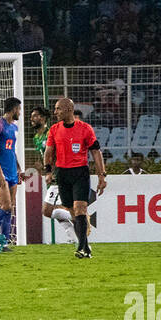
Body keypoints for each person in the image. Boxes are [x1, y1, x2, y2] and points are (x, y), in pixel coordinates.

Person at [43, 97, 105, 259]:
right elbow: (48, 152)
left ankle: (81, 248)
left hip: (80, 173)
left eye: (58, 109)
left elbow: (96, 152)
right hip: (62, 174)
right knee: (72, 212)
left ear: (68, 109)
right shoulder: (54, 130)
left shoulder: (85, 129)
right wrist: (48, 171)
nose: (55, 112)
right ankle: (86, 247)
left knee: (80, 209)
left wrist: (101, 175)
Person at [29, 105, 75, 242]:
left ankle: (78, 216)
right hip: (50, 174)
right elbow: (44, 156)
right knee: (56, 213)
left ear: (43, 119)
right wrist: (42, 167)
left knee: (47, 211)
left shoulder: (51, 133)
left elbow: (59, 152)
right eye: (31, 116)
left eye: (36, 116)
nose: (32, 118)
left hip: (58, 174)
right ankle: (73, 238)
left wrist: (53, 170)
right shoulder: (36, 137)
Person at [0, 97, 22, 251]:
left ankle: (5, 242)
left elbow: (11, 150)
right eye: (19, 109)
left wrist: (19, 168)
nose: (20, 113)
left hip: (12, 170)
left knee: (10, 208)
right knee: (6, 205)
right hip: (1, 172)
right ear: (14, 108)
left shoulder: (14, 128)